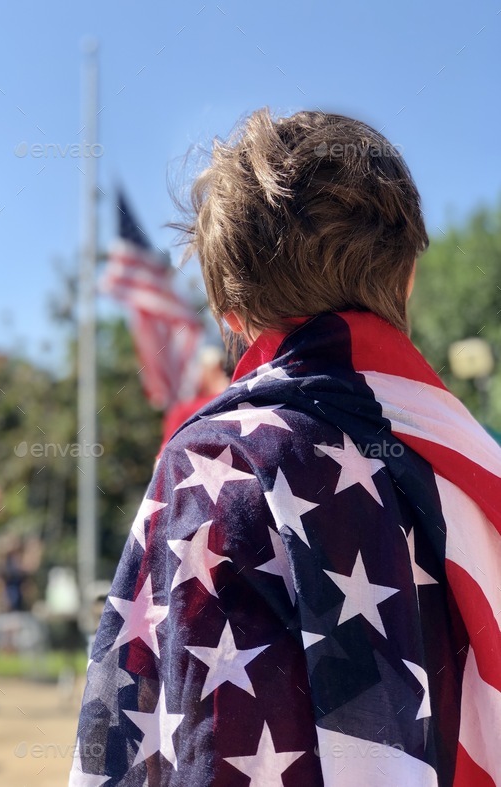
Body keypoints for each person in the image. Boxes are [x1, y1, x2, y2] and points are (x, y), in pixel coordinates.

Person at [70, 109, 501, 786]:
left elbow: (194, 734)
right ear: (410, 277)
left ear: (229, 316)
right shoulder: (475, 469)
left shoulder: (220, 460)